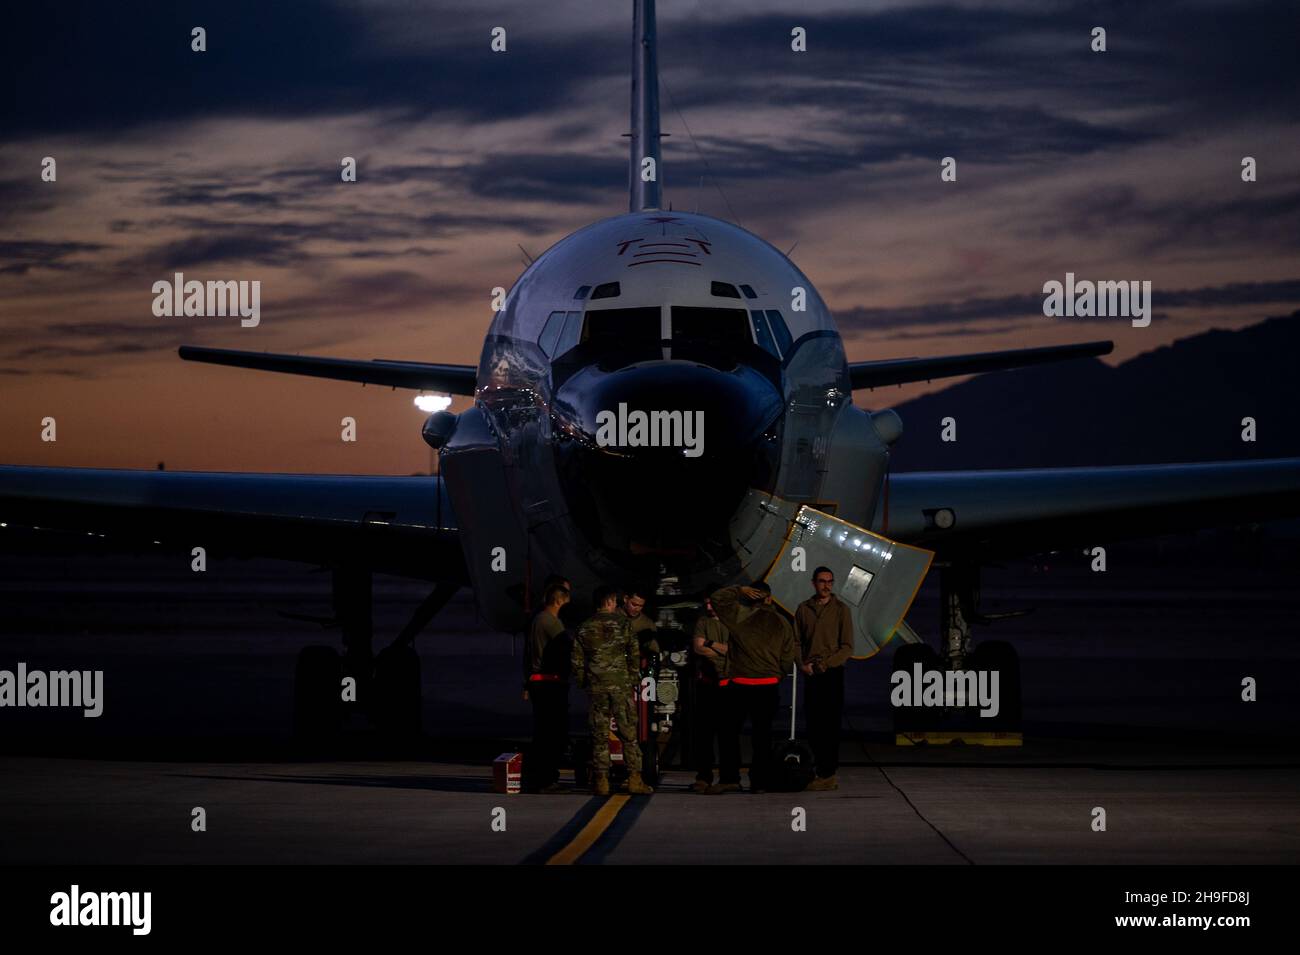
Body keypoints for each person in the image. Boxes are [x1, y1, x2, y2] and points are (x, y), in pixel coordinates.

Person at [707, 582, 795, 794]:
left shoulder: (740, 616)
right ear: (769, 599)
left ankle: (730, 778)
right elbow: (788, 655)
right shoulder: (782, 622)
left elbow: (717, 598)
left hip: (740, 685)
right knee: (762, 736)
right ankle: (760, 782)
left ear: (749, 598)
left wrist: (738, 590)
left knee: (729, 733)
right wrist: (777, 675)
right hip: (768, 687)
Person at [572, 586, 654, 796]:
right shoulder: (624, 624)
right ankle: (635, 778)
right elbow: (634, 653)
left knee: (599, 735)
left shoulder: (584, 627)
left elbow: (577, 661)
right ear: (609, 602)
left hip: (597, 687)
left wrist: (584, 682)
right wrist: (633, 678)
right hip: (621, 686)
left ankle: (601, 781)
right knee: (629, 734)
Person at [795, 566, 854, 791]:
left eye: (830, 581)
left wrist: (824, 665)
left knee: (829, 725)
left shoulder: (841, 610)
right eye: (822, 581)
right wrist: (801, 664)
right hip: (811, 672)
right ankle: (821, 769)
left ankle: (828, 773)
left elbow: (847, 647)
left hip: (831, 673)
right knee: (813, 724)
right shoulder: (804, 609)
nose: (826, 585)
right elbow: (796, 641)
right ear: (814, 583)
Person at [523, 583, 572, 794]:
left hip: (538, 681)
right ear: (559, 600)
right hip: (549, 683)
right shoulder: (551, 622)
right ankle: (546, 779)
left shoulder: (538, 619)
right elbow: (566, 648)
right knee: (552, 735)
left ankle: (536, 777)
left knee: (542, 733)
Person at [690, 598, 731, 793]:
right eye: (705, 603)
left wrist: (709, 643)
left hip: (727, 684)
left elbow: (734, 651)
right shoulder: (702, 622)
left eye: (712, 603)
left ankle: (727, 777)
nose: (708, 607)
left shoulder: (732, 621)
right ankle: (703, 776)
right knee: (704, 734)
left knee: (727, 734)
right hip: (706, 684)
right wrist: (721, 649)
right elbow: (698, 647)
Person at [620, 587, 659, 654]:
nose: (637, 609)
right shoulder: (610, 616)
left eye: (641, 606)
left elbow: (654, 651)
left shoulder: (648, 624)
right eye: (634, 604)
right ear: (625, 599)